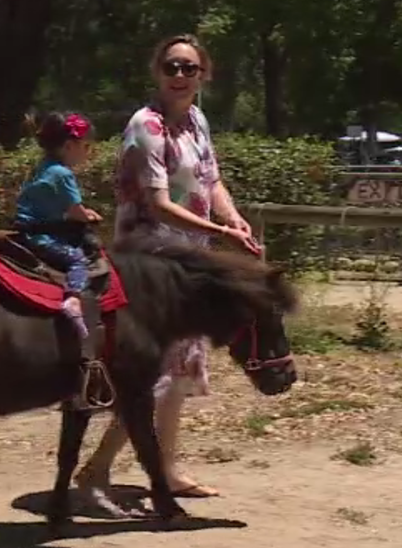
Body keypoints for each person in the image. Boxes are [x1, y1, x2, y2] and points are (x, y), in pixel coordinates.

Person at [73, 34, 257, 514]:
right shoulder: (145, 126)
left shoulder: (197, 120)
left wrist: (232, 218)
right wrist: (222, 232)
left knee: (177, 373)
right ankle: (95, 474)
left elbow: (210, 179)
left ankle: (168, 470)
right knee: (149, 377)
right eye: (171, 67)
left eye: (189, 68)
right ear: (157, 72)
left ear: (203, 75)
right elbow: (158, 204)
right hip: (149, 267)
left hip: (188, 265)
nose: (180, 76)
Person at [13, 111, 104, 337]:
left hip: (30, 225)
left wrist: (81, 212)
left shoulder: (45, 166)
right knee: (77, 259)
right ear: (69, 146)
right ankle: (73, 297)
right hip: (41, 234)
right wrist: (90, 216)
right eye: (86, 147)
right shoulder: (63, 174)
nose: (88, 153)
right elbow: (76, 211)